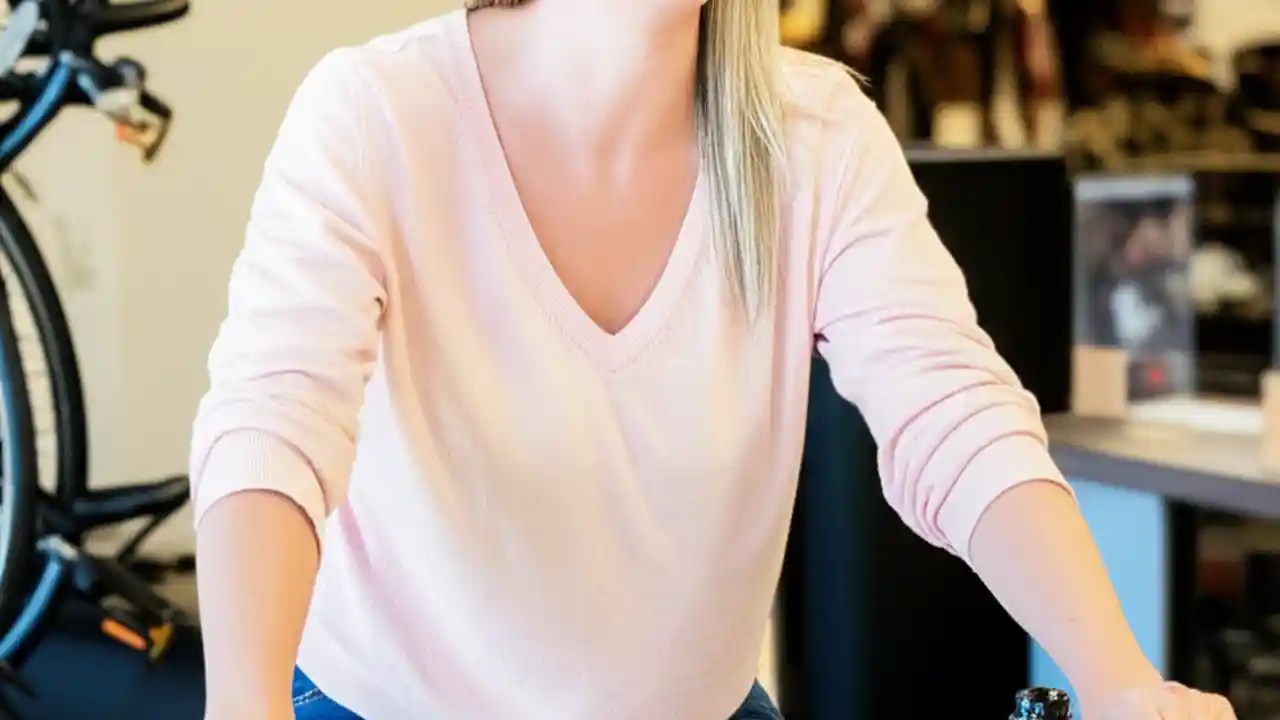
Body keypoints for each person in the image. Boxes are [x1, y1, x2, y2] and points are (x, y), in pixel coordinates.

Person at [189, 1, 1237, 718]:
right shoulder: (376, 111)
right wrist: (244, 701)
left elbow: (951, 413)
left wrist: (1116, 679)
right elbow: (274, 422)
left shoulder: (815, 131)